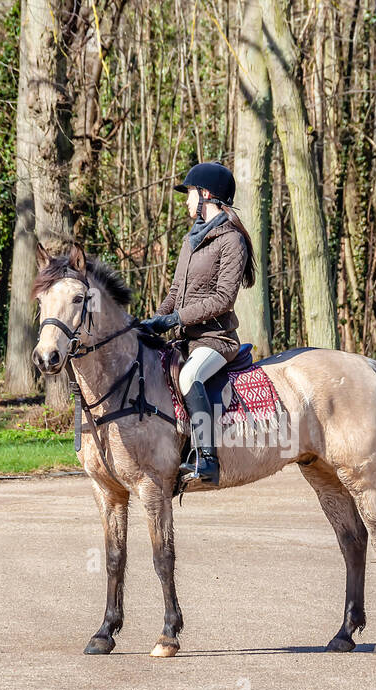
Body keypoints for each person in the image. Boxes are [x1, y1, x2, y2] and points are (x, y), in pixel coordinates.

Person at [140, 161, 257, 486]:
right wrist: (154, 320)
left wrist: (175, 318)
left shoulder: (232, 241)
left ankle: (207, 458)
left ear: (207, 195)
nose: (187, 201)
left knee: (190, 375)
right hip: (185, 339)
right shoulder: (191, 240)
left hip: (216, 340)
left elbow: (223, 299)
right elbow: (176, 293)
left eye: (190, 193)